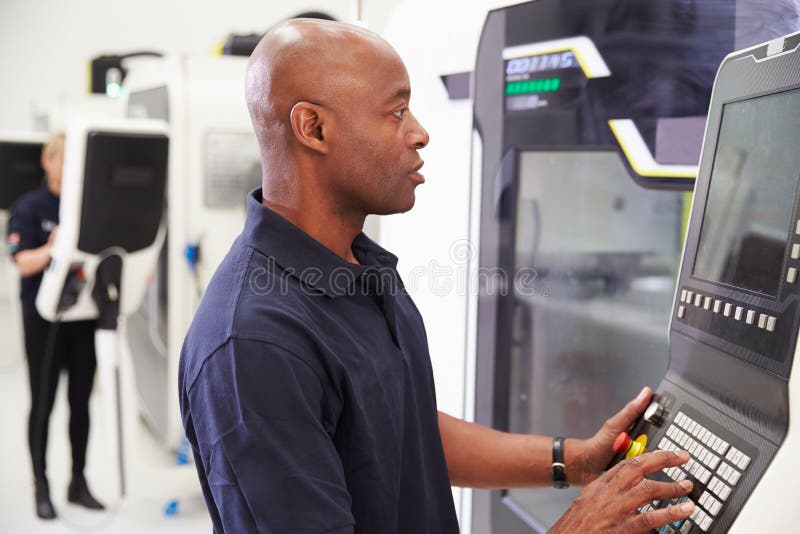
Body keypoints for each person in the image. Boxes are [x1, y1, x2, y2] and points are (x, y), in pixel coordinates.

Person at [179, 19, 695, 533]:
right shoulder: (253, 345)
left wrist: (572, 460)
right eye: (396, 111)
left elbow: (407, 433)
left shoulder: (360, 265)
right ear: (313, 128)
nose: (419, 132)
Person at [7, 133, 105, 519]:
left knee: (80, 402)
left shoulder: (88, 206)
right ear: (48, 161)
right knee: (43, 402)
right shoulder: (29, 208)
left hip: (83, 316)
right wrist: (54, 247)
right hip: (43, 319)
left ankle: (77, 482)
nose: (70, 165)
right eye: (64, 158)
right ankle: (41, 485)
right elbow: (22, 262)